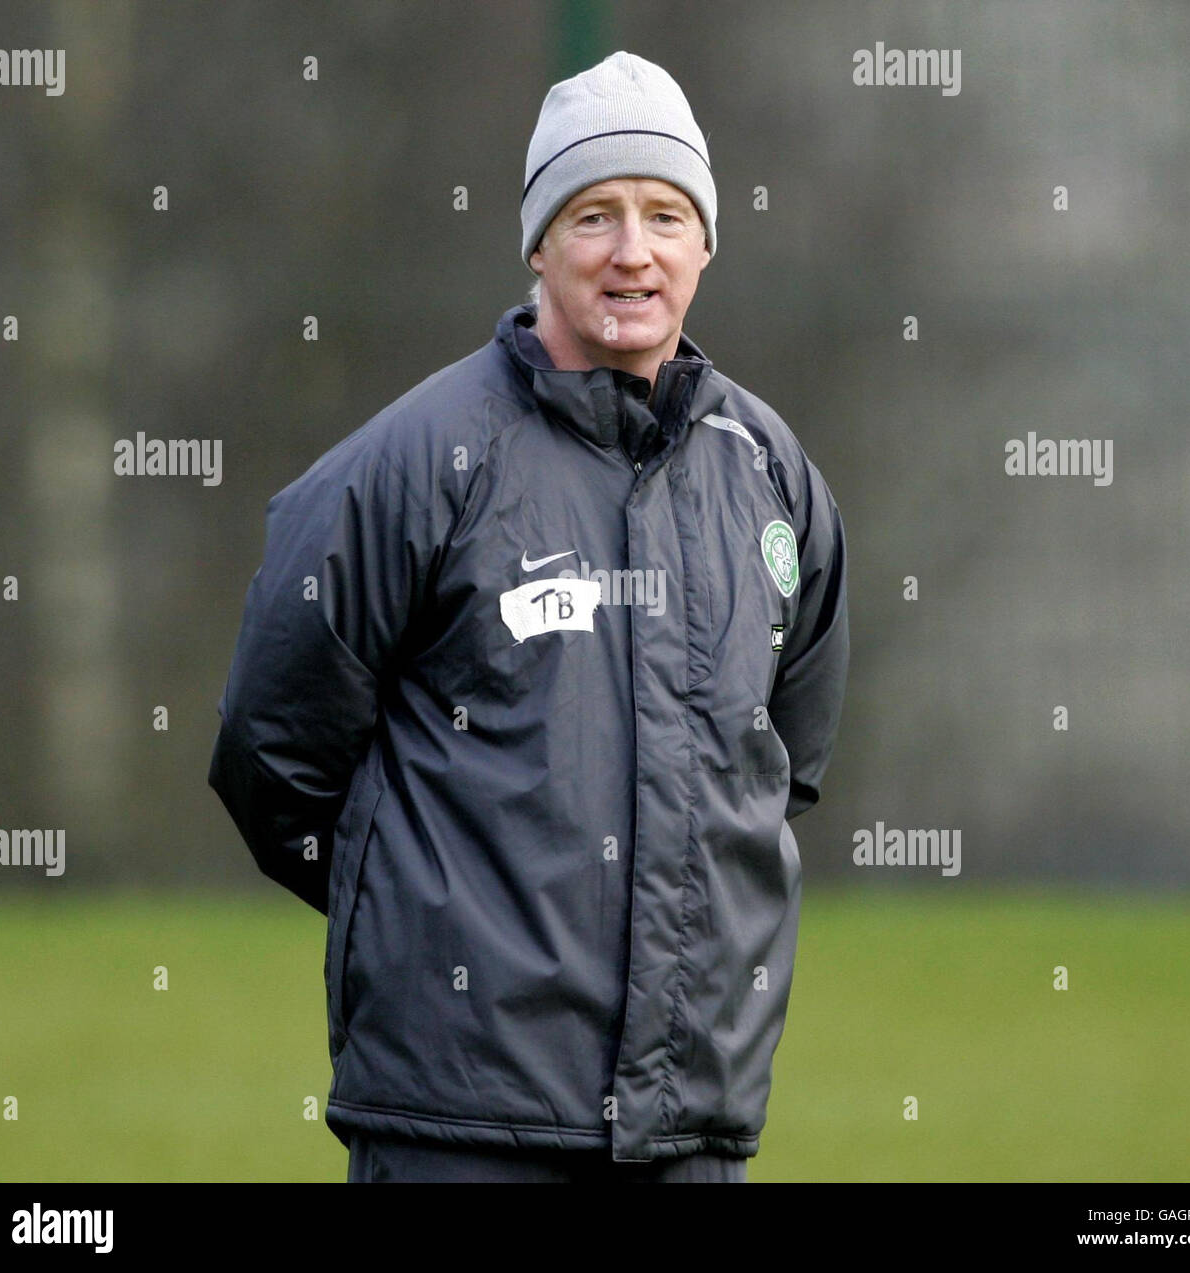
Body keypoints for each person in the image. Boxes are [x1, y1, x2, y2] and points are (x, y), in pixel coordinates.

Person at [208, 50, 849, 1184]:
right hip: (450, 1132)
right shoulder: (411, 465)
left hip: (692, 1133)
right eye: (592, 214)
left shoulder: (775, 477)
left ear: (705, 242)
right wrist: (424, 909)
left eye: (664, 214)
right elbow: (274, 751)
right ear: (538, 246)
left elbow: (778, 767)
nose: (631, 251)